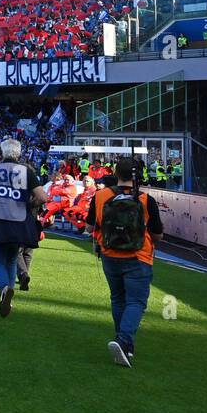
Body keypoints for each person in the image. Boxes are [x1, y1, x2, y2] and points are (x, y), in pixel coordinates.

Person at [88, 158, 163, 368]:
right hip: (139, 256)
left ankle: (124, 342)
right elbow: (157, 234)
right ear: (138, 175)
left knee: (118, 298)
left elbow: (88, 227)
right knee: (136, 302)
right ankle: (124, 340)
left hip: (110, 255)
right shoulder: (146, 200)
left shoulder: (100, 196)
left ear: (115, 172)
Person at [0, 138, 46, 314]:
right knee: (12, 259)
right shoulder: (26, 172)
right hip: (19, 221)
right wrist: (29, 204)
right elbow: (43, 197)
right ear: (19, 153)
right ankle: (8, 296)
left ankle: (4, 290)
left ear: (2, 152)